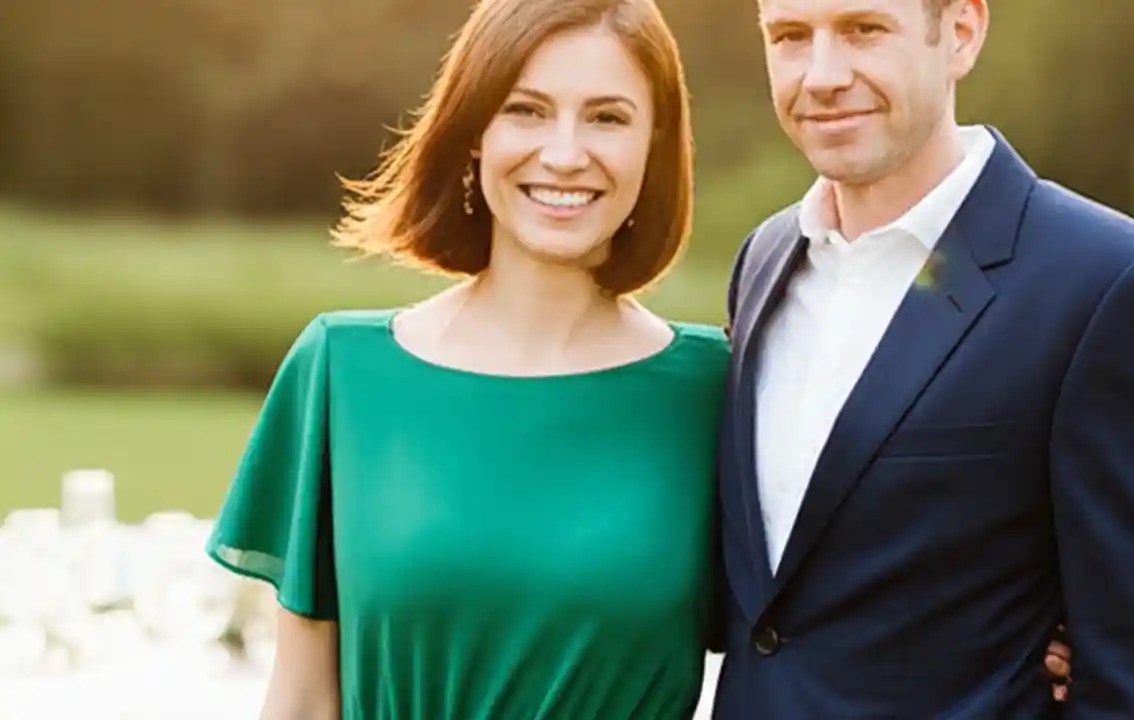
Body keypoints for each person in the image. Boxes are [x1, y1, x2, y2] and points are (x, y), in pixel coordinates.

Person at [203, 0, 1072, 717]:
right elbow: (302, 698)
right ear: (473, 134)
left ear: (654, 149)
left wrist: (1045, 634)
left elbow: (838, 592)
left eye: (608, 118)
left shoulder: (715, 389)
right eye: (525, 110)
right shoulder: (344, 373)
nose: (564, 154)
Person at [713, 0, 1134, 717]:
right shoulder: (764, 259)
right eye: (791, 36)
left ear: (960, 33)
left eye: (864, 29)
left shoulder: (1109, 287)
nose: (822, 75)